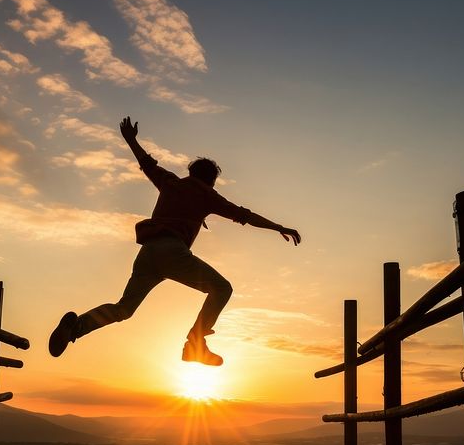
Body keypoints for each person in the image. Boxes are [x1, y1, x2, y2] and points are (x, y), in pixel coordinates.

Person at [49, 116, 301, 366]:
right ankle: (195, 344)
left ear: (191, 172)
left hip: (148, 253)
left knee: (124, 308)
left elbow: (146, 163)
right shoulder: (208, 195)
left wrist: (131, 140)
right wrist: (278, 227)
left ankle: (77, 326)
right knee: (222, 288)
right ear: (211, 180)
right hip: (173, 251)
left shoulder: (170, 182)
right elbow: (245, 215)